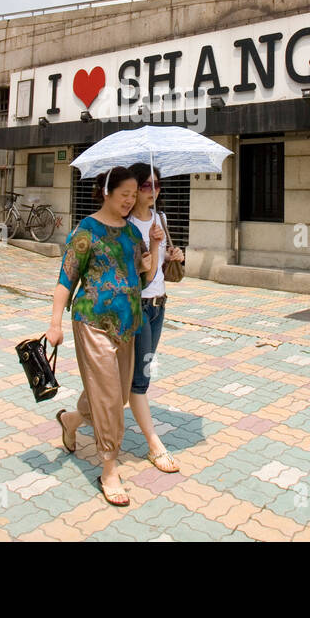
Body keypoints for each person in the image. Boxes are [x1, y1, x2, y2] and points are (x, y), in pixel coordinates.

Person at [48, 166, 161, 506]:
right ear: (107, 192)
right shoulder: (87, 230)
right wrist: (54, 324)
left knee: (113, 393)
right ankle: (108, 468)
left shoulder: (132, 233)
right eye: (124, 194)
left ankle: (71, 419)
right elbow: (66, 279)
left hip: (129, 323)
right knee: (110, 397)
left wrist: (154, 248)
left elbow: (146, 275)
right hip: (92, 322)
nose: (130, 200)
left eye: (133, 194)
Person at [127, 163, 186, 473]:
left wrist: (172, 255)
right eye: (147, 185)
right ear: (135, 189)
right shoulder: (125, 225)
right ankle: (154, 444)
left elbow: (161, 269)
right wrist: (150, 245)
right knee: (140, 379)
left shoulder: (160, 218)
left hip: (159, 306)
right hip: (136, 307)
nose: (154, 190)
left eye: (158, 185)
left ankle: (73, 418)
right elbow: (137, 278)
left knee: (127, 376)